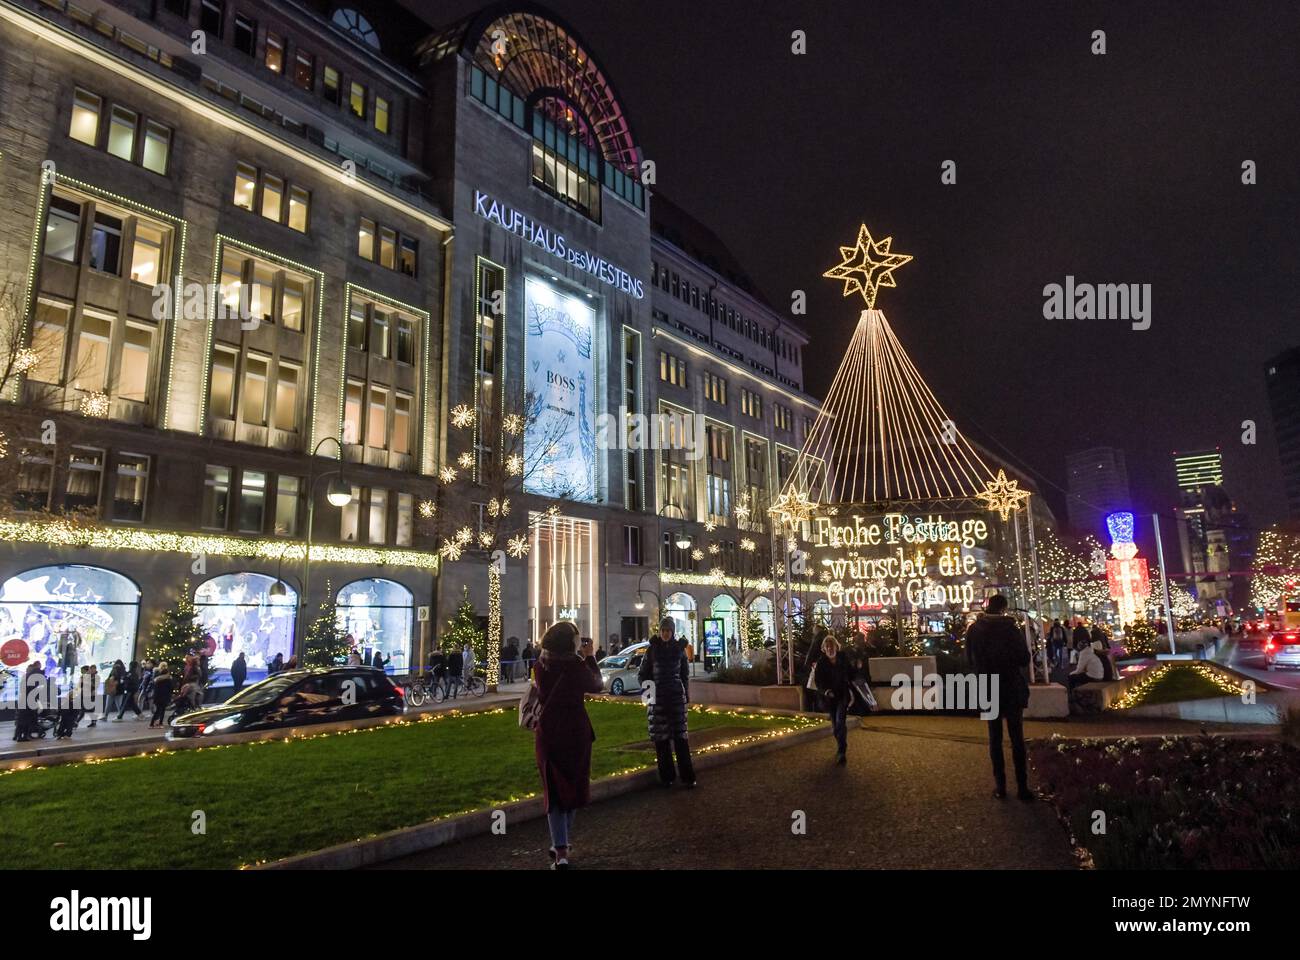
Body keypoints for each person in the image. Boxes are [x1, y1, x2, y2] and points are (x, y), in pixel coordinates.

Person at [531, 621, 604, 870]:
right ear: (569, 643)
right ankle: (563, 845)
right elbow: (597, 684)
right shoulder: (576, 666)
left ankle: (560, 849)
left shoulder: (540, 665)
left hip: (549, 733)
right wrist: (590, 657)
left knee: (553, 790)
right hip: (575, 732)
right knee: (573, 786)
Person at [965, 594, 1033, 802]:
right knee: (1017, 737)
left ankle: (1000, 787)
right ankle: (1022, 788)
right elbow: (1024, 658)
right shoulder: (1011, 629)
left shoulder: (974, 630)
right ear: (1004, 608)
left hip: (988, 687)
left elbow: (969, 660)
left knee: (994, 738)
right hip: (1011, 686)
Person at [638, 617, 696, 788]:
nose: (665, 633)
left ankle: (687, 777)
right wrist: (649, 695)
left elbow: (684, 675)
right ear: (660, 631)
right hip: (658, 700)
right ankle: (667, 777)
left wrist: (686, 695)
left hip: (676, 698)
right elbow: (643, 674)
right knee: (661, 741)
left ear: (672, 632)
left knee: (680, 739)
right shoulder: (652, 650)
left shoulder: (679, 650)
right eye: (663, 630)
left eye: (668, 631)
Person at [813, 634, 853, 763]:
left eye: (832, 646)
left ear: (836, 646)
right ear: (824, 649)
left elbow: (851, 673)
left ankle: (842, 751)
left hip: (842, 694)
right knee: (836, 726)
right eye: (827, 646)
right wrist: (826, 691)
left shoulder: (843, 659)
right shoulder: (821, 663)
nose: (830, 649)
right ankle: (840, 746)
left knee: (840, 720)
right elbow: (818, 681)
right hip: (829, 698)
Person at [13, 660, 44, 741]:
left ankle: (19, 736)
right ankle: (23, 736)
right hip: (29, 701)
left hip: (24, 700)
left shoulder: (26, 676)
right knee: (27, 719)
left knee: (22, 719)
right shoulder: (34, 676)